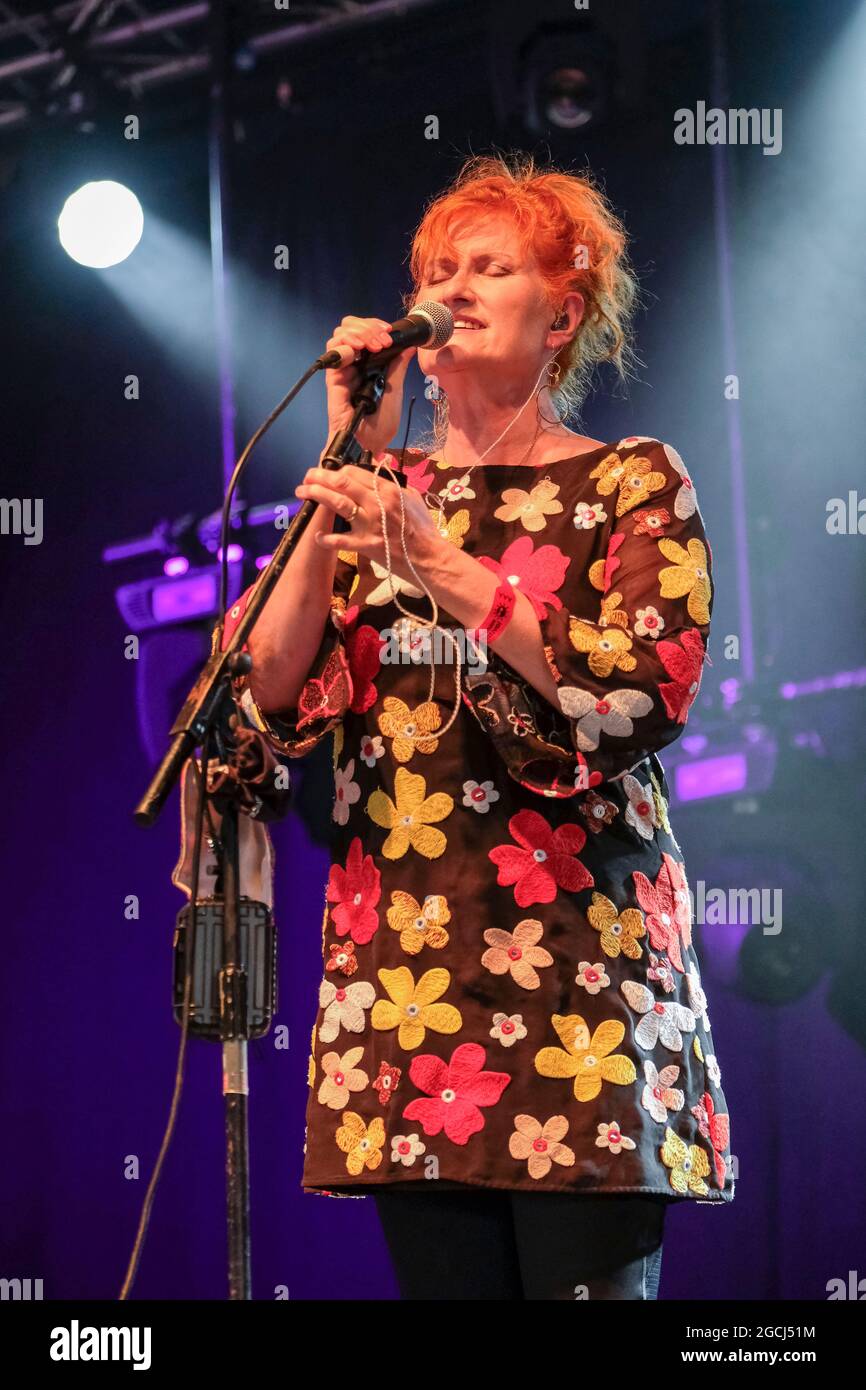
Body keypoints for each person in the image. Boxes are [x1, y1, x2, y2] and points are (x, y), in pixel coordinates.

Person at [222, 152, 735, 1301]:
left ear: (561, 311)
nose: (451, 288)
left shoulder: (630, 481)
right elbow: (263, 680)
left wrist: (441, 564)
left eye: (488, 267)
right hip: (408, 979)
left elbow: (641, 687)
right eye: (437, 269)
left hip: (578, 981)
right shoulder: (376, 486)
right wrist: (347, 448)